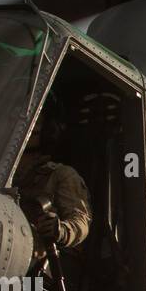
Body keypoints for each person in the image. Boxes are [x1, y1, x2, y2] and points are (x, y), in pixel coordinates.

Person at [15, 110, 92, 258]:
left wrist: (60, 231)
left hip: (28, 254)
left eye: (33, 123)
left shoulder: (61, 175)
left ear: (47, 133)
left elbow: (81, 221)